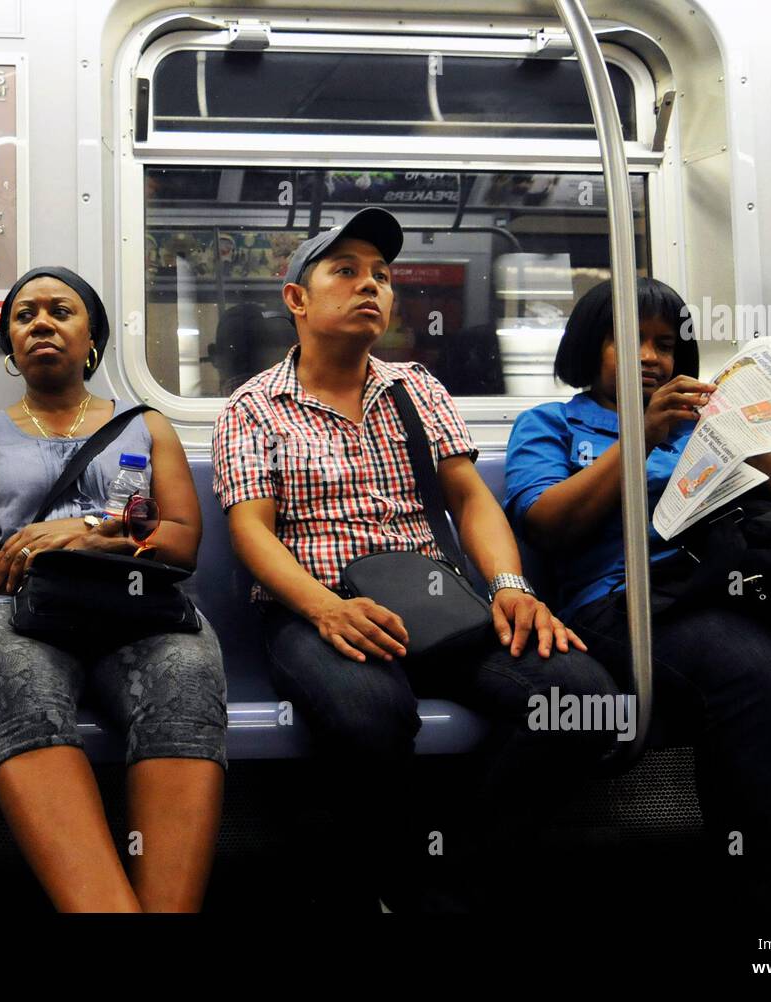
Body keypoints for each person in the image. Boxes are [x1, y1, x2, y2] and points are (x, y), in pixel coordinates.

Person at [212, 208, 618, 911]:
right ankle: (388, 882)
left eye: (382, 276)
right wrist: (326, 608)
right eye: (346, 271)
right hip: (319, 607)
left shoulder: (417, 388)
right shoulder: (253, 408)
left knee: (578, 698)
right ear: (296, 299)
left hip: (437, 599)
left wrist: (510, 587)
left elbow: (470, 500)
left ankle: (455, 877)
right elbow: (253, 530)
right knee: (370, 714)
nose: (371, 286)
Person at [503, 277, 771, 911]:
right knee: (767, 686)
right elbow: (548, 524)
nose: (651, 357)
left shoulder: (698, 426)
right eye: (628, 340)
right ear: (586, 346)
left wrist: (745, 440)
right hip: (625, 602)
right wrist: (642, 437)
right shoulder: (550, 423)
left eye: (665, 343)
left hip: (729, 592)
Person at [0, 265, 227, 913]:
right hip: (10, 607)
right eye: (25, 314)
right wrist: (41, 568)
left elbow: (179, 541)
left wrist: (86, 536)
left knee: (185, 670)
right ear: (10, 344)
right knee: (15, 673)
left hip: (133, 602)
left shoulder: (147, 427)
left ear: (91, 336)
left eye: (60, 311)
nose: (41, 322)